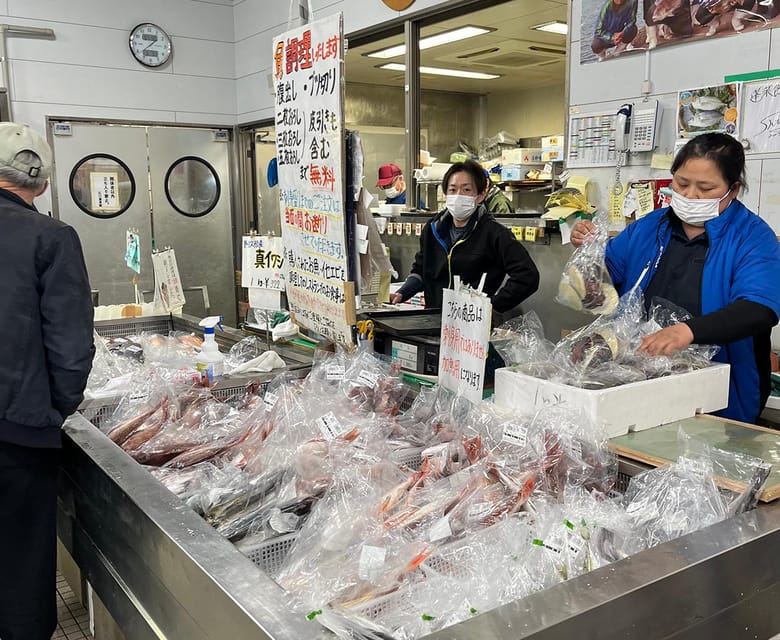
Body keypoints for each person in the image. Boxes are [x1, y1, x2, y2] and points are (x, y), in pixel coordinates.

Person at [570, 133, 780, 424]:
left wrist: (687, 332)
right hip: (641, 379)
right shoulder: (647, 228)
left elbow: (759, 309)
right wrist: (587, 256)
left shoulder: (753, 237)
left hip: (721, 394)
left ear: (733, 190)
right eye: (681, 183)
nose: (690, 195)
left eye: (706, 188)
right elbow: (597, 295)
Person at [0, 122, 94, 640]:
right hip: (18, 433)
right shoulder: (51, 237)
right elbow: (71, 346)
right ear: (38, 179)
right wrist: (52, 410)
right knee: (19, 562)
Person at [390, 159, 539, 314]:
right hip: (434, 322)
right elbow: (421, 270)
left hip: (472, 327)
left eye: (466, 190)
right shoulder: (432, 229)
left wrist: (491, 306)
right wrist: (403, 292)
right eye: (452, 190)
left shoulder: (494, 234)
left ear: (481, 195)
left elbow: (528, 276)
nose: (458, 195)